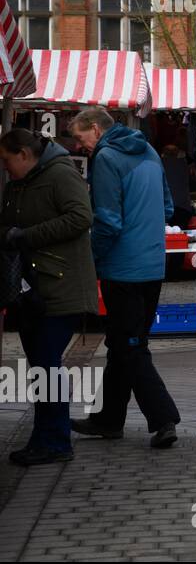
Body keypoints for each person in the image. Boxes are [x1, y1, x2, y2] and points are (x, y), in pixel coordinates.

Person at [67, 107, 181, 450]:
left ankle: (164, 418)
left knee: (130, 346)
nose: (77, 145)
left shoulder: (107, 159)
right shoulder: (147, 150)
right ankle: (108, 418)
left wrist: (92, 257)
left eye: (79, 136)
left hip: (123, 268)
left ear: (96, 129)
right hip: (152, 264)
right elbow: (168, 208)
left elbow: (107, 221)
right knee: (122, 343)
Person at [0, 130, 98, 465]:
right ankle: (45, 438)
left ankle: (55, 442)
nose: (5, 167)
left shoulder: (59, 174)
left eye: (7, 160)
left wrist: (25, 237)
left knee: (46, 365)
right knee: (42, 367)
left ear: (24, 154)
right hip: (32, 288)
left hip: (60, 286)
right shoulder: (21, 182)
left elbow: (81, 217)